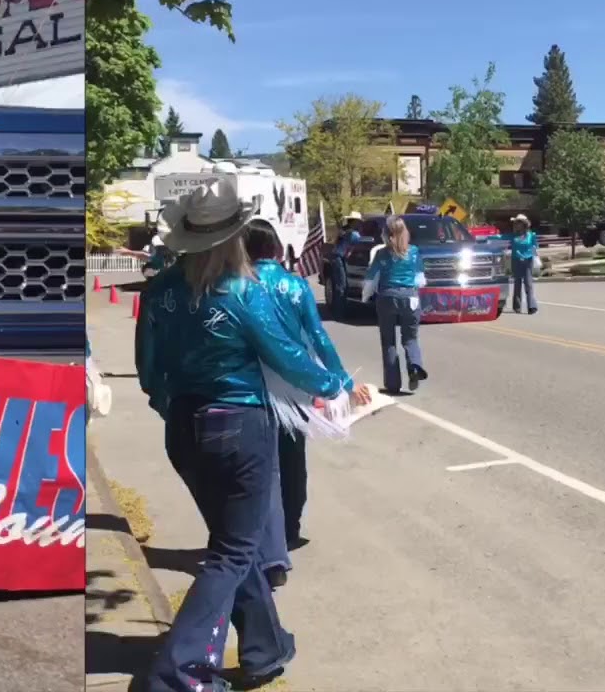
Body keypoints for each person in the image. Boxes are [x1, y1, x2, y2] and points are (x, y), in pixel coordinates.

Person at [136, 179, 365, 692]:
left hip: (184, 428)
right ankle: (180, 673)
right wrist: (340, 387)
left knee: (230, 544)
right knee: (233, 553)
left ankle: (265, 648)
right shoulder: (243, 290)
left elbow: (150, 373)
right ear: (235, 234)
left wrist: (172, 405)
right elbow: (289, 356)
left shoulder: (159, 291)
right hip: (238, 427)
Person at [244, 220, 364, 563]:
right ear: (277, 249)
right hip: (293, 386)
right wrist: (342, 381)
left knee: (258, 466)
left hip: (250, 387)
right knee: (292, 460)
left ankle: (261, 538)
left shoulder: (237, 286)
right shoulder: (294, 286)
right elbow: (318, 338)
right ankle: (290, 529)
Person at [361, 215, 428, 393]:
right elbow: (421, 279)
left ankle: (393, 384)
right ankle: (414, 366)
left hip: (387, 298)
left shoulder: (382, 253)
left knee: (388, 341)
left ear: (386, 234)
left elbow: (371, 278)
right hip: (410, 298)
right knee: (410, 338)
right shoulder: (413, 252)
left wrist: (365, 297)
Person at [487, 214, 539, 314]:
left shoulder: (531, 235)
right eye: (515, 223)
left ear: (524, 224)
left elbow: (534, 247)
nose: (516, 225)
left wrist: (529, 256)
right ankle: (517, 306)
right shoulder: (513, 236)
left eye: (518, 223)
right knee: (517, 283)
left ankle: (532, 306)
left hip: (528, 261)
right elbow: (499, 237)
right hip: (516, 261)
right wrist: (486, 237)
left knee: (528, 284)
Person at [328, 212, 364, 316]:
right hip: (339, 257)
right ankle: (339, 311)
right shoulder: (353, 234)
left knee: (341, 284)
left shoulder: (343, 231)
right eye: (358, 222)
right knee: (342, 285)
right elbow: (357, 243)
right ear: (355, 221)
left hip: (337, 257)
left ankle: (339, 308)